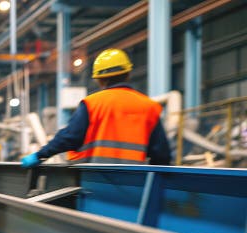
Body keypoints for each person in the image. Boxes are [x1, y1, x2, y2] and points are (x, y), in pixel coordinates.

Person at [22, 48, 171, 167]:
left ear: (99, 80)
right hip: (137, 186)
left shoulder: (92, 104)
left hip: (95, 183)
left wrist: (40, 155)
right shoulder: (149, 106)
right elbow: (162, 155)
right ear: (128, 74)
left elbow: (69, 138)